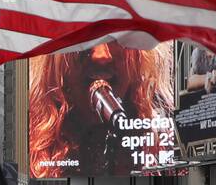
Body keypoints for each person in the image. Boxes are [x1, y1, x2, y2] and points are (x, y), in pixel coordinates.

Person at [28, 42, 173, 177]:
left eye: (115, 37)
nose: (102, 56)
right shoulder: (26, 143)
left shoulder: (165, 144)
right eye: (86, 36)